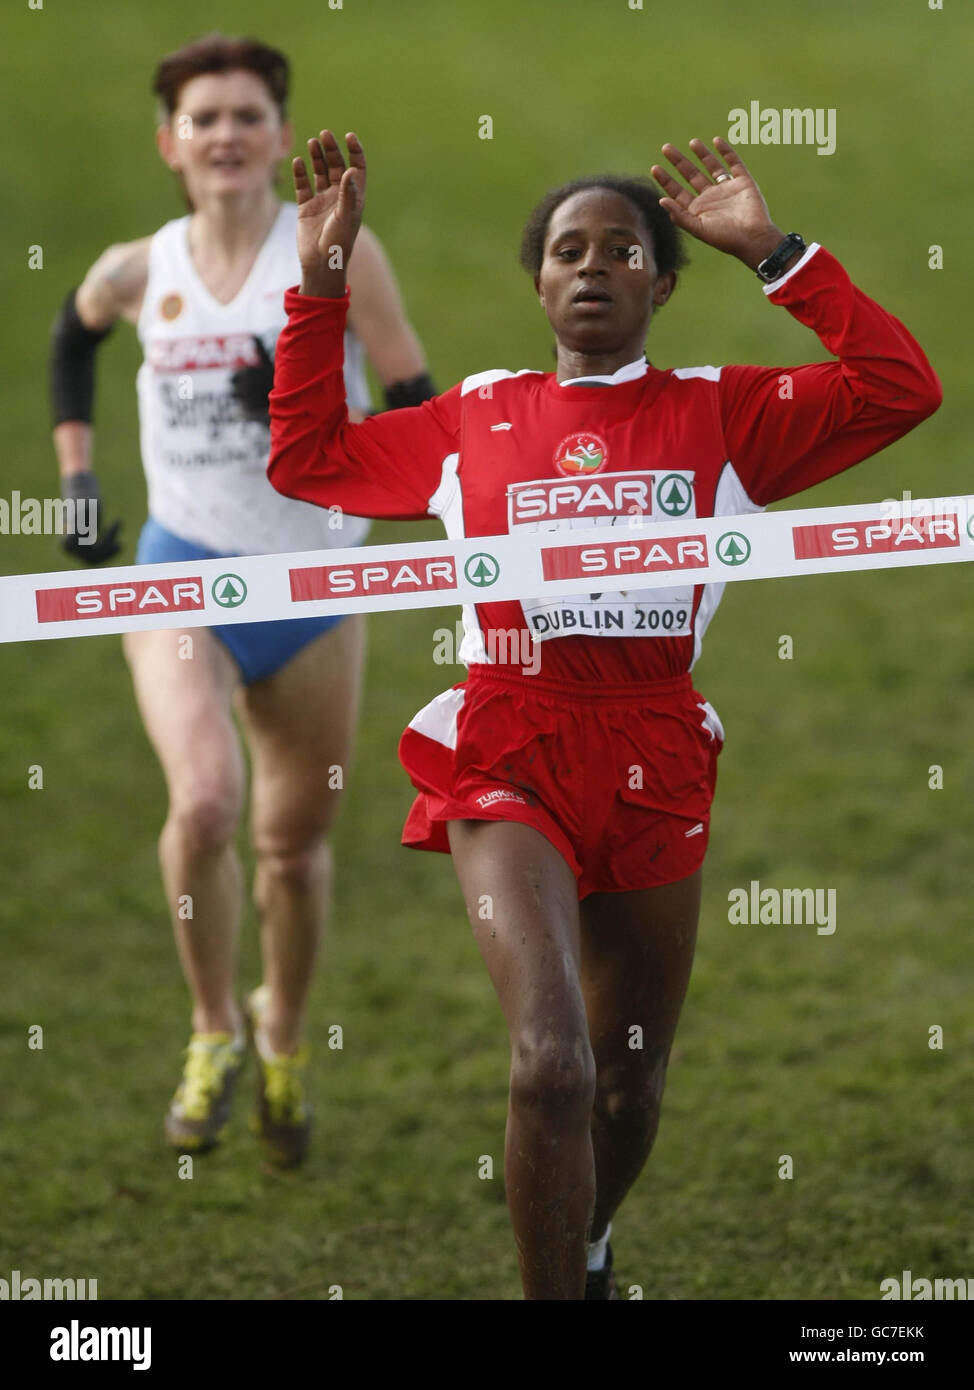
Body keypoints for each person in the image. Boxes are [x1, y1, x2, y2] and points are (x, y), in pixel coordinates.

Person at [267, 129, 941, 1294]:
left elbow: (901, 387)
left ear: (661, 284)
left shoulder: (721, 416)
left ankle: (584, 1243)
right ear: (536, 282)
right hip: (507, 745)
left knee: (626, 1086)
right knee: (549, 1066)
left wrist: (777, 253)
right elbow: (306, 456)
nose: (591, 267)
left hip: (651, 749)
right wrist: (322, 283)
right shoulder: (472, 419)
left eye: (621, 250)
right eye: (567, 251)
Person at [49, 37, 436, 1168]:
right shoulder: (137, 268)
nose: (225, 134)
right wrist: (78, 480)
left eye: (248, 115)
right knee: (206, 803)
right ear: (170, 142)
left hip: (316, 581)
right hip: (180, 569)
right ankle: (213, 1028)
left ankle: (283, 1038)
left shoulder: (338, 257)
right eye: (203, 117)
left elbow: (416, 402)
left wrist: (307, 409)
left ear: (278, 135)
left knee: (289, 846)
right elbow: (71, 339)